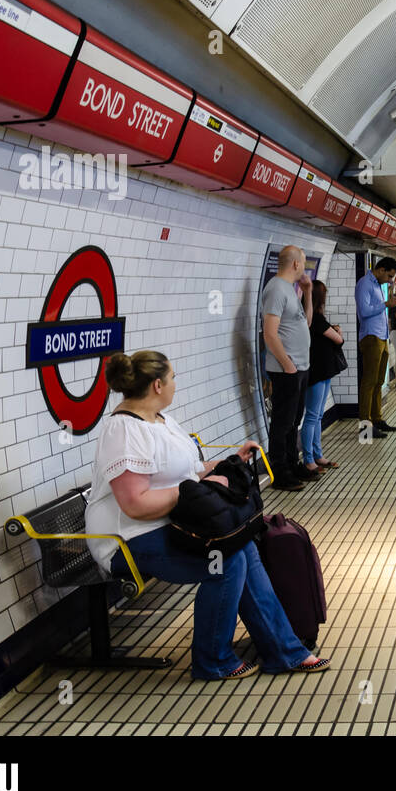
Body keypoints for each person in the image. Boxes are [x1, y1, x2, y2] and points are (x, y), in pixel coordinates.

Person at [86, 350, 329, 680]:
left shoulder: (160, 419)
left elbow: (188, 470)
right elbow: (135, 504)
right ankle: (212, 660)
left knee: (243, 548)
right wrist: (191, 492)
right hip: (126, 539)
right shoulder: (124, 432)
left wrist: (229, 463)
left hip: (172, 524)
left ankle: (282, 651)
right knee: (227, 563)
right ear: (157, 385)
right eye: (172, 378)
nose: (175, 384)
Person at [261, 245, 314, 490]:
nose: (303, 268)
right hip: (286, 369)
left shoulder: (291, 290)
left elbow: (306, 322)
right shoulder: (275, 289)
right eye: (303, 263)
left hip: (299, 367)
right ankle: (280, 472)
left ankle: (293, 464)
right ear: (295, 264)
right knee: (282, 422)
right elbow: (270, 334)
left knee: (294, 420)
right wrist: (287, 365)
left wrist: (308, 293)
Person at [356, 256, 396, 438]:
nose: (390, 279)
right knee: (368, 383)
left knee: (378, 382)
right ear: (381, 269)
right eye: (389, 276)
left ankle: (377, 419)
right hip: (371, 337)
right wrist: (385, 304)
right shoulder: (364, 284)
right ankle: (365, 427)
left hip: (381, 337)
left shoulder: (377, 284)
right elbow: (364, 311)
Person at [302, 280, 342, 475]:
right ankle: (309, 459)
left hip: (322, 372)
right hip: (317, 372)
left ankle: (318, 455)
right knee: (312, 416)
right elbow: (338, 339)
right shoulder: (316, 320)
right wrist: (337, 332)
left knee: (317, 415)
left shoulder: (313, 319)